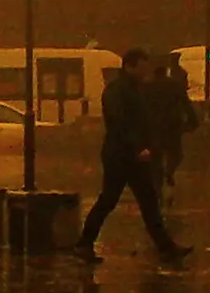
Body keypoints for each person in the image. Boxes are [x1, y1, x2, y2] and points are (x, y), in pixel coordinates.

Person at [74, 49, 192, 264]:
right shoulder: (121, 91)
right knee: (119, 200)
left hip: (123, 154)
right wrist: (139, 147)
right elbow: (120, 123)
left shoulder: (126, 89)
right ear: (130, 66)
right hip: (124, 156)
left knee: (139, 201)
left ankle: (165, 247)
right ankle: (84, 244)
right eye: (142, 66)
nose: (146, 71)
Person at [145, 54, 199, 189]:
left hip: (153, 128)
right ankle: (168, 172)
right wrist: (193, 122)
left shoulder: (147, 87)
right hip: (172, 126)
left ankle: (157, 187)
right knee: (176, 155)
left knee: (156, 158)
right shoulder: (174, 85)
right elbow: (186, 104)